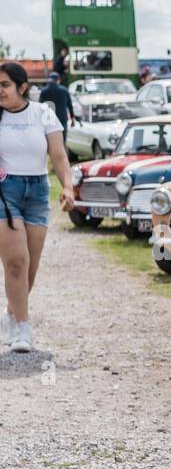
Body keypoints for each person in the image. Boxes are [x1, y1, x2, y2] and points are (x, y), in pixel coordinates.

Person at [0, 62, 75, 354]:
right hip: (6, 191)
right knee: (16, 260)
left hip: (38, 190)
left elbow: (58, 155)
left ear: (22, 87)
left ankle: (10, 313)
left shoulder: (43, 113)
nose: (0, 91)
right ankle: (23, 327)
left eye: (5, 85)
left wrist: (67, 187)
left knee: (30, 264)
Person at [37, 72, 75, 140]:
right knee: (62, 142)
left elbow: (40, 107)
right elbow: (70, 105)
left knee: (50, 142)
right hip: (62, 121)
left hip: (49, 122)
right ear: (58, 80)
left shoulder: (44, 91)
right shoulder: (64, 90)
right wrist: (72, 119)